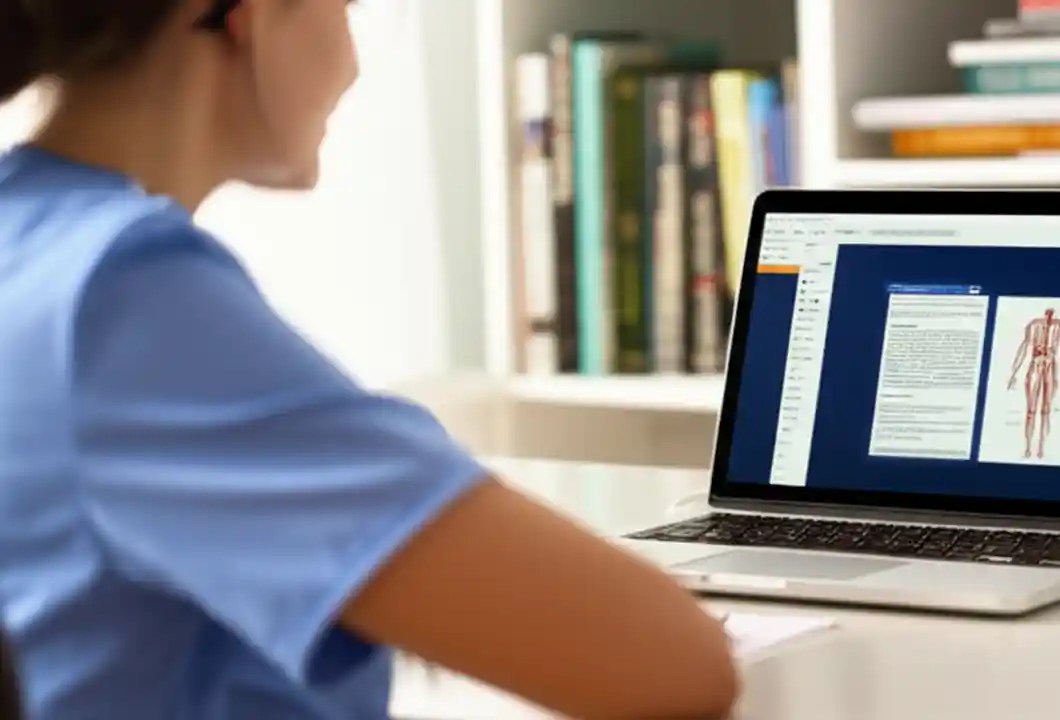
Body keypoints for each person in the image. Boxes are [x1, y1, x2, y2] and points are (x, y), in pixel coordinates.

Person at [0, 1, 739, 718]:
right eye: (346, 8)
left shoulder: (29, 244)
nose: (352, 65)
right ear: (238, 15)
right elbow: (677, 664)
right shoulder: (124, 299)